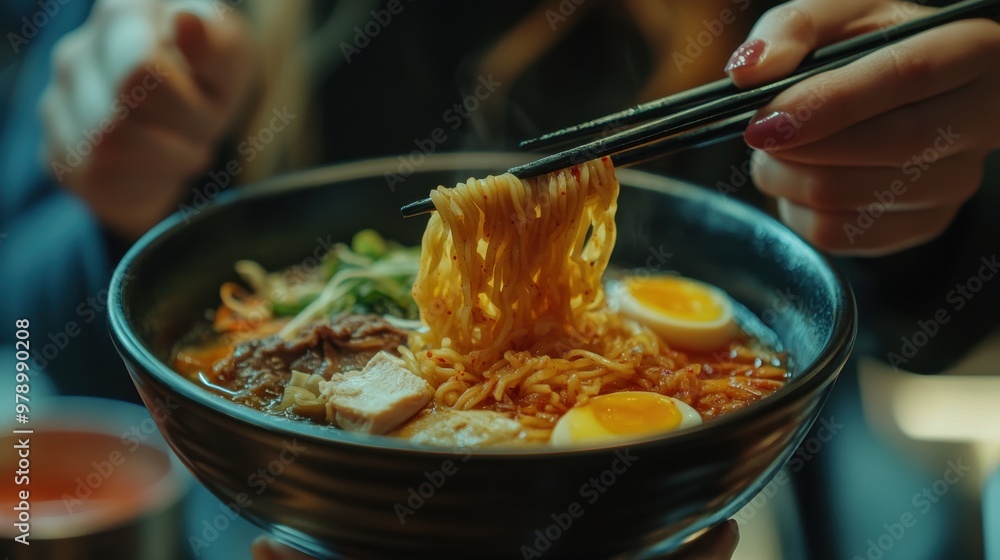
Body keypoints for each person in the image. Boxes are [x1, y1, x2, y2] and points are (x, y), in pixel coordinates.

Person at [3, 0, 998, 558]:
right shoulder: (191, 18)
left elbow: (945, 327)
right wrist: (109, 200)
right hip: (278, 531)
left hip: (705, 522)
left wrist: (919, 188)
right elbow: (36, 335)